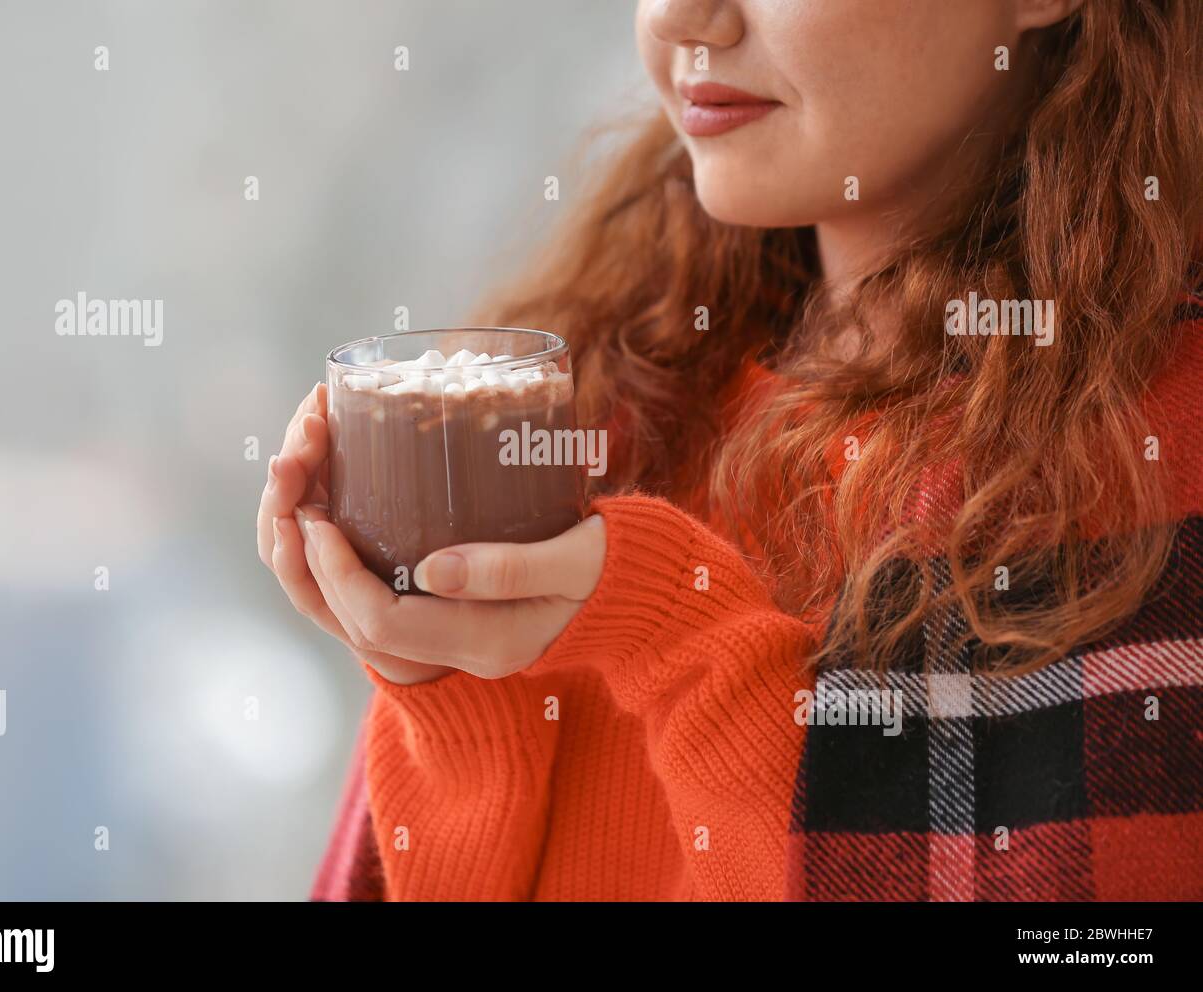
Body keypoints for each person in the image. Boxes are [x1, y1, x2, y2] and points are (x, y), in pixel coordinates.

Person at [259, 0, 1202, 900]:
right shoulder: (615, 395)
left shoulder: (1149, 446)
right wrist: (449, 676)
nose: (680, 19)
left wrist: (670, 630)